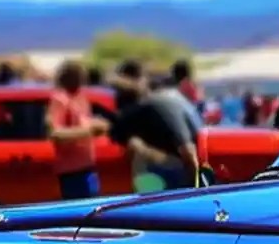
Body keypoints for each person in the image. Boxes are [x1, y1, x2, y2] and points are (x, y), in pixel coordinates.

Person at [108, 61, 201, 191]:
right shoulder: (170, 99)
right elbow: (187, 148)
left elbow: (187, 150)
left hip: (169, 172)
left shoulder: (157, 105)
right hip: (174, 169)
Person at [47, 60, 108, 200]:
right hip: (72, 171)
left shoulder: (81, 98)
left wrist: (98, 125)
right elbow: (56, 133)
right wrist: (90, 131)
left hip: (87, 166)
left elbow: (83, 121)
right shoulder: (60, 99)